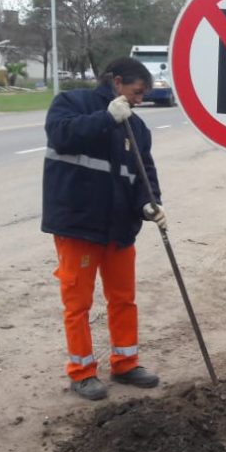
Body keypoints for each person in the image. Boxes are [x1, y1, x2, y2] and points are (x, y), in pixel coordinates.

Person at [42, 56, 167, 401]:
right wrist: (107, 118)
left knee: (124, 299)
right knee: (78, 302)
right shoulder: (71, 103)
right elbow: (61, 135)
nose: (141, 99)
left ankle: (126, 364)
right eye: (137, 91)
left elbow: (145, 173)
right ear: (116, 81)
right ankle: (82, 373)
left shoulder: (137, 128)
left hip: (119, 230)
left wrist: (150, 202)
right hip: (79, 225)